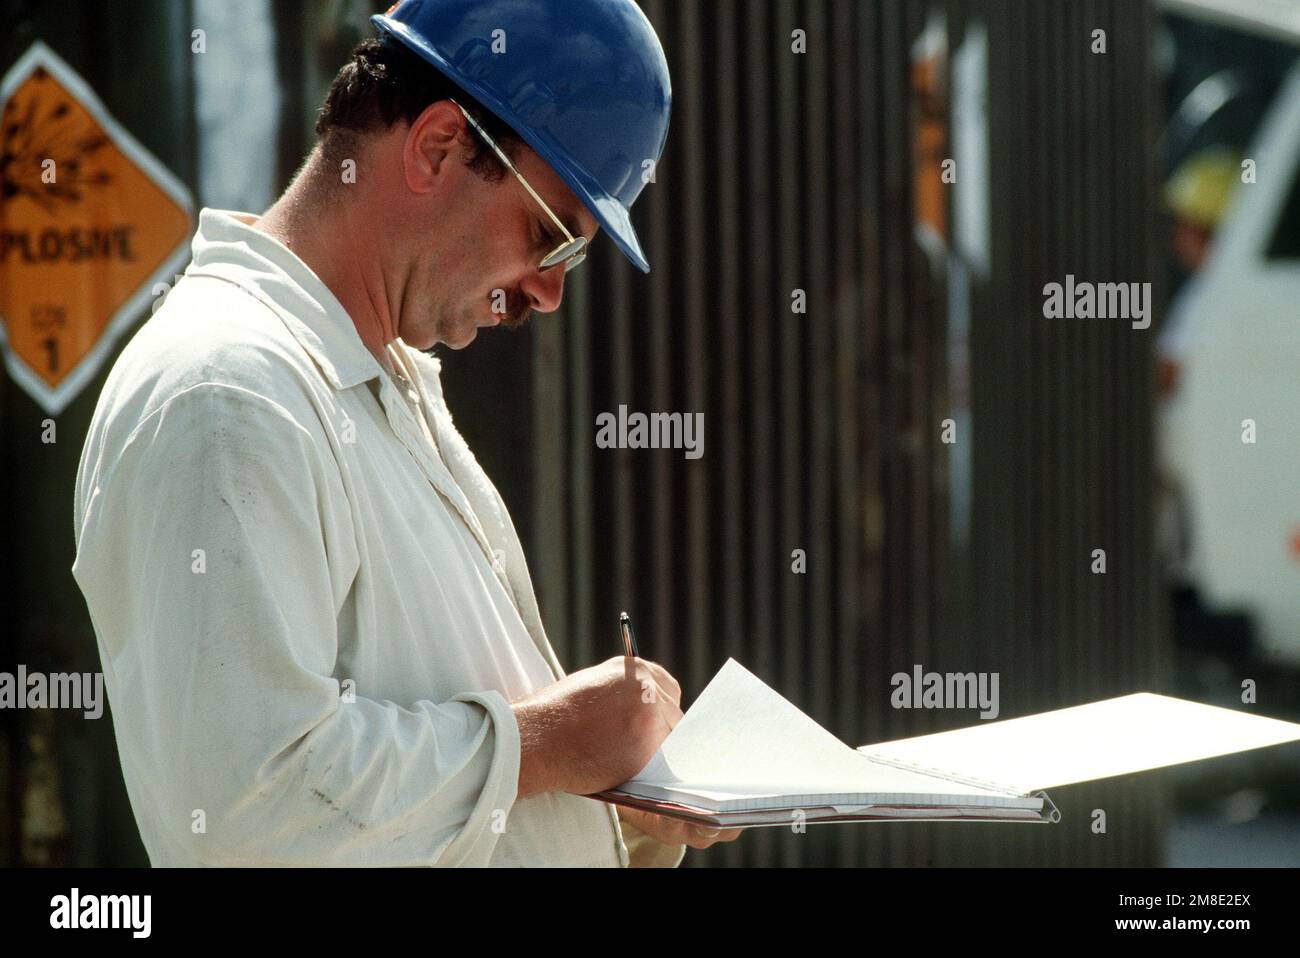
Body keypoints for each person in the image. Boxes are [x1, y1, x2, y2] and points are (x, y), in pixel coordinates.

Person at [71, 0, 740, 866]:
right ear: (435, 146)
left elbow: (422, 813)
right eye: (550, 238)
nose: (549, 291)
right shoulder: (227, 392)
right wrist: (548, 744)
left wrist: (614, 796)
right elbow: (244, 814)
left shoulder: (370, 380)